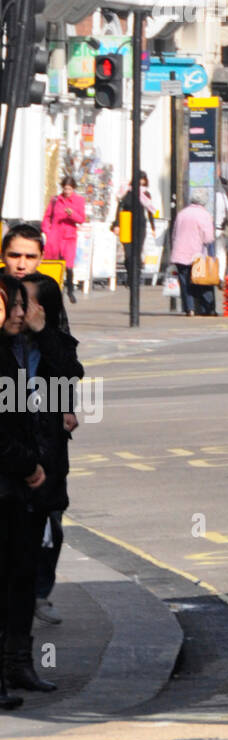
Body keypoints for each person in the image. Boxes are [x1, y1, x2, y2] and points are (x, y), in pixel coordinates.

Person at [16, 274, 79, 641]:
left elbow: (70, 373)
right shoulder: (8, 346)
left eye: (28, 303)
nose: (20, 310)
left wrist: (43, 334)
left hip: (46, 459)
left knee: (47, 530)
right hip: (15, 464)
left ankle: (20, 656)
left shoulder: (53, 345)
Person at [0, 274, 46, 704]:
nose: (18, 312)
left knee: (20, 575)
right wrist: (27, 463)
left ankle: (17, 665)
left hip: (17, 488)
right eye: (11, 305)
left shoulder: (14, 352)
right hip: (9, 481)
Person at [170, 191, 217, 317]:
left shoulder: (182, 213)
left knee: (185, 282)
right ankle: (208, 308)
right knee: (202, 282)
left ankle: (189, 309)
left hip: (179, 253)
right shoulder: (205, 215)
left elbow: (174, 233)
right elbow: (208, 238)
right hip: (196, 255)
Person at [41, 177, 86, 305]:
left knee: (68, 264)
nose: (67, 191)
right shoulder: (55, 200)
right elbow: (47, 216)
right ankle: (54, 290)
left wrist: (71, 214)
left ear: (73, 188)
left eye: (70, 189)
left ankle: (70, 290)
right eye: (65, 188)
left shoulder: (79, 200)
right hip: (55, 235)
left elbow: (81, 219)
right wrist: (47, 230)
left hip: (69, 236)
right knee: (54, 262)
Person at [113, 171, 157, 278]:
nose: (141, 183)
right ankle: (130, 274)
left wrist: (153, 227)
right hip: (126, 223)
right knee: (128, 253)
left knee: (137, 252)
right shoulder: (127, 192)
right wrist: (117, 224)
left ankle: (136, 276)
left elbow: (150, 211)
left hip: (140, 225)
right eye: (139, 180)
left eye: (143, 180)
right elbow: (120, 208)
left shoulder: (146, 194)